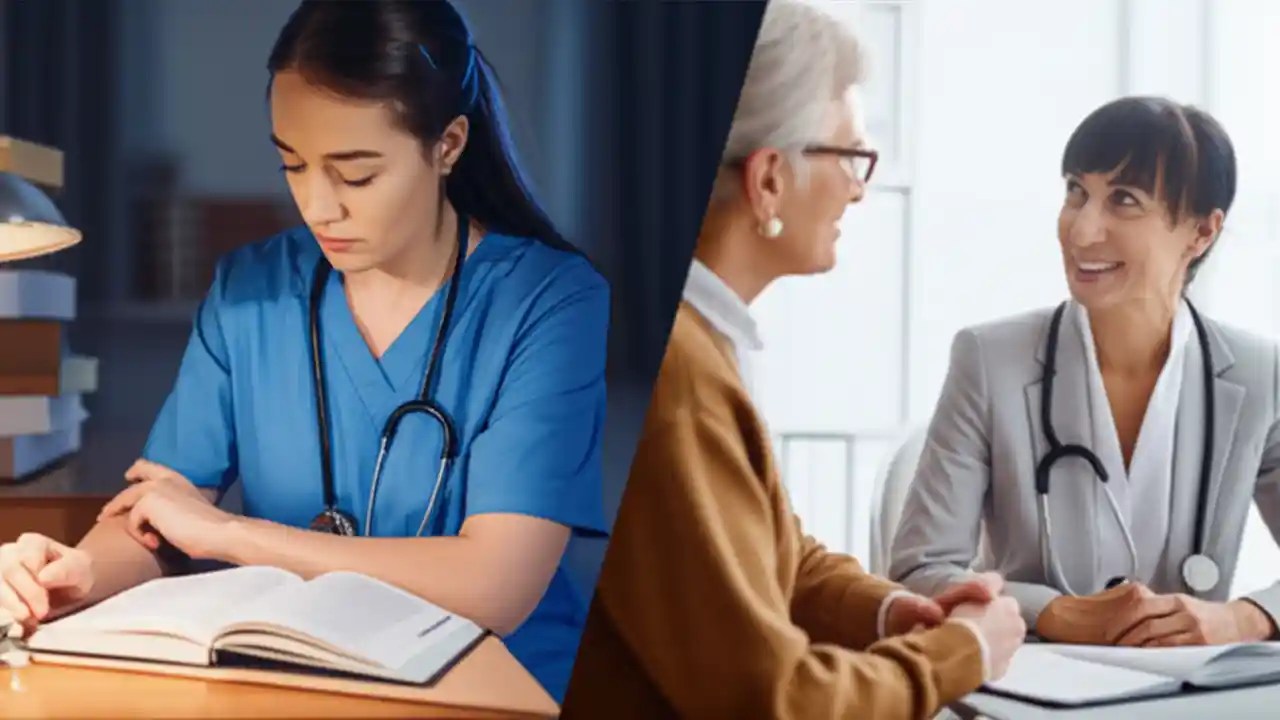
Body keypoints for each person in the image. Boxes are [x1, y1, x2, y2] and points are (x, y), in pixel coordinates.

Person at [0, 0, 608, 702]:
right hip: (289, 675)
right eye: (293, 163)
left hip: (491, 682)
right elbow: (159, 511)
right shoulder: (251, 290)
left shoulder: (548, 300)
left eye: (356, 175)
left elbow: (495, 584)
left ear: (448, 144)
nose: (318, 206)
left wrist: (230, 534)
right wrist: (74, 573)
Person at [562, 2, 1025, 718]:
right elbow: (773, 701)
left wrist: (890, 611)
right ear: (770, 179)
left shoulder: (697, 341)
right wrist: (962, 653)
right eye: (850, 157)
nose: (859, 188)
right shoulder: (679, 379)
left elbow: (771, 557)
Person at [890, 96, 1280, 649]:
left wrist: (1243, 619)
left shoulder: (1260, 377)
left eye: (1124, 200)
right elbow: (918, 570)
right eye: (1076, 192)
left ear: (1201, 232)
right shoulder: (990, 360)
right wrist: (1056, 612)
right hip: (1032, 681)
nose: (1081, 230)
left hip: (1188, 689)